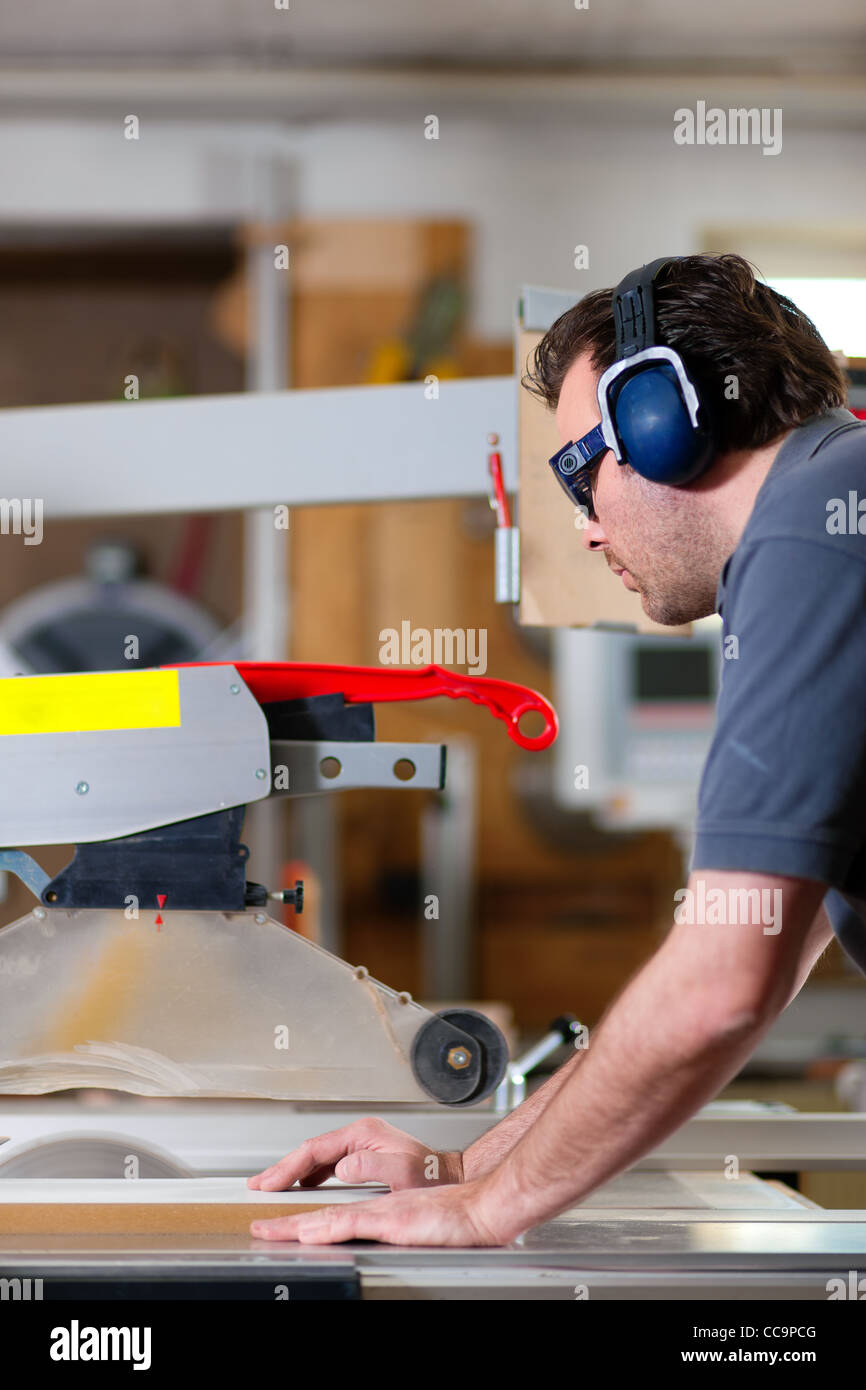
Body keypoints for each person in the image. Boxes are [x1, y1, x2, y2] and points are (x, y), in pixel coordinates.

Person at [247, 254, 866, 1247]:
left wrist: (484, 1208)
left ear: (667, 420)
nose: (582, 528)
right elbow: (769, 943)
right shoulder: (828, 504)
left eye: (581, 471)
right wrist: (464, 1165)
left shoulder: (812, 531)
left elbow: (716, 988)